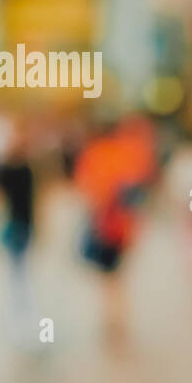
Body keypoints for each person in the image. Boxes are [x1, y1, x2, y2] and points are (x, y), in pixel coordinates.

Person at [73, 114, 157, 345]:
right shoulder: (130, 152)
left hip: (105, 223)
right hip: (126, 225)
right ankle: (118, 315)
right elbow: (142, 185)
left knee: (108, 276)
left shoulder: (95, 153)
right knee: (118, 275)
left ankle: (111, 316)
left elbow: (88, 188)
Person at [0, 123, 37, 347]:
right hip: (21, 223)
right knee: (19, 268)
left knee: (16, 268)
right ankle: (19, 306)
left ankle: (18, 305)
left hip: (16, 222)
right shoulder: (26, 169)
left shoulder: (12, 169)